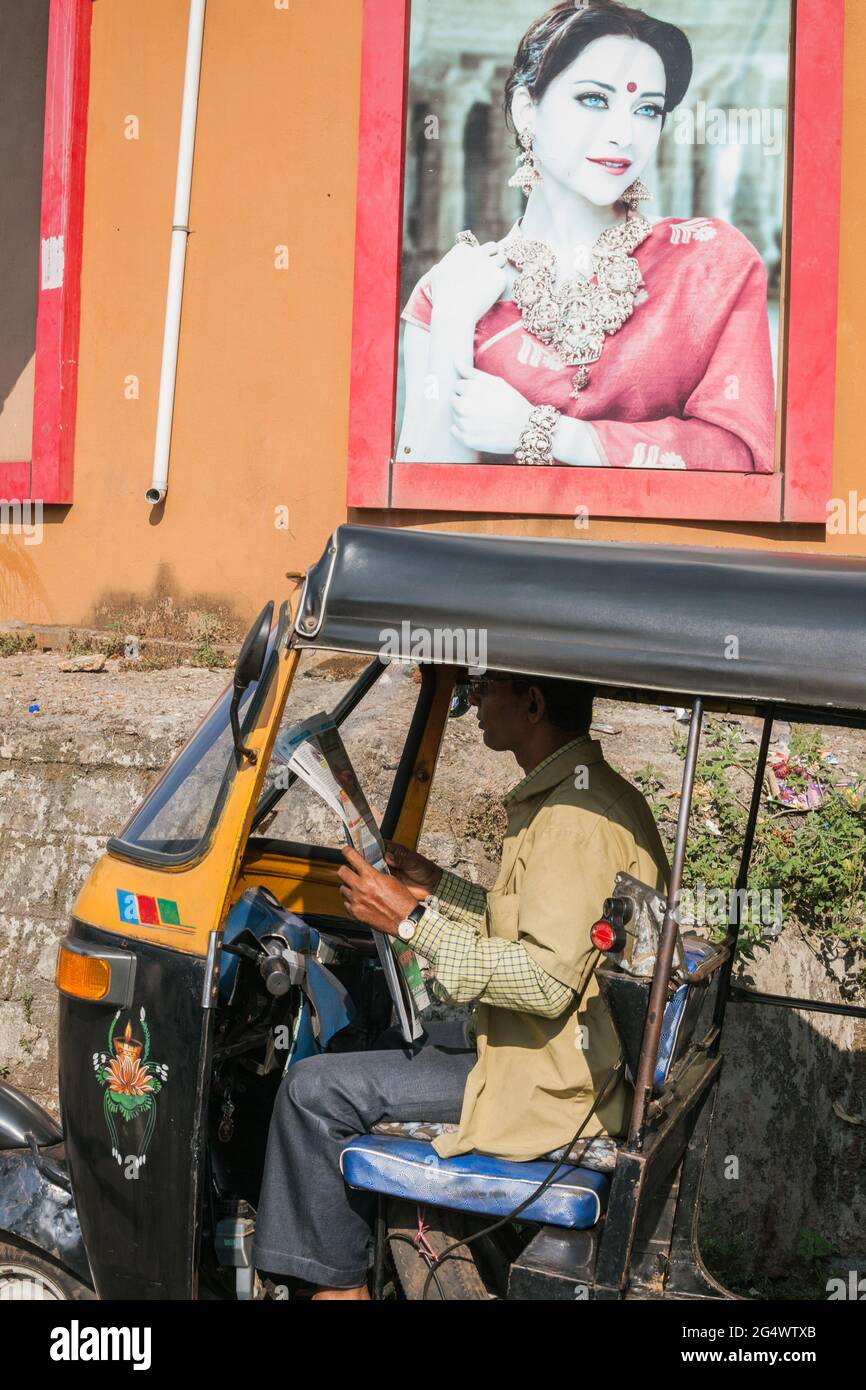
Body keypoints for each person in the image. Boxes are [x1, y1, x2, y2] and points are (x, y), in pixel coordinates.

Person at [252, 669, 670, 1300]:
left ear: (532, 704)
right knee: (364, 1046)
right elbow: (539, 930)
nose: (472, 699)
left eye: (487, 686)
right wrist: (437, 886)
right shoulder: (581, 799)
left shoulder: (573, 822)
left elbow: (545, 980)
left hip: (546, 1086)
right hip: (548, 1052)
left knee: (312, 1094)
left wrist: (412, 922)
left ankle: (337, 1292)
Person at [397, 0, 776, 473]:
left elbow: (739, 454)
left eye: (647, 109)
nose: (623, 133)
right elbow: (425, 494)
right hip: (502, 548)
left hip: (655, 549)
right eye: (594, 99)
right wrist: (453, 322)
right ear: (525, 110)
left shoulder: (709, 262)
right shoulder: (451, 289)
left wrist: (549, 433)